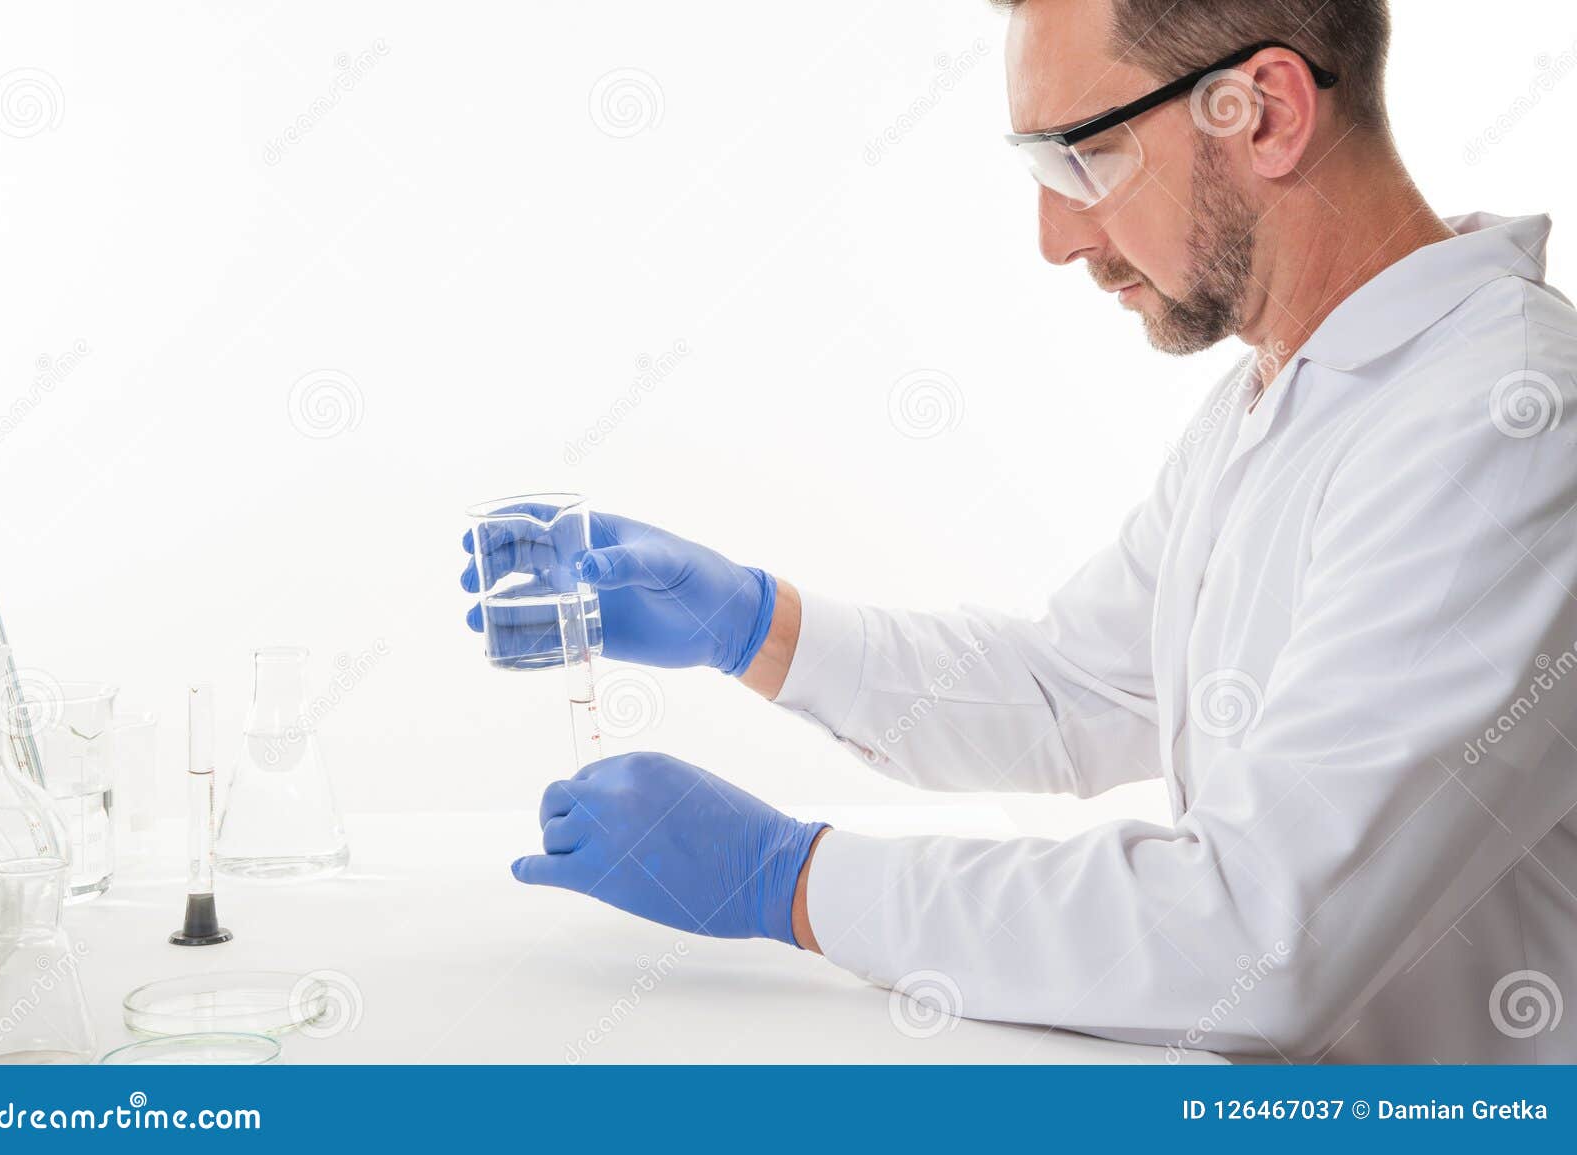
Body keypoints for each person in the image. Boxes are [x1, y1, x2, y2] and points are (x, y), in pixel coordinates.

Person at [462, 0, 1577, 1062]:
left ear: (1268, 111)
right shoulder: (1292, 397)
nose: (1054, 236)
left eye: (1080, 157)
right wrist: (755, 625)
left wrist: (794, 883)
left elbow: (1260, 933)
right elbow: (1078, 688)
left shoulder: (1502, 421)